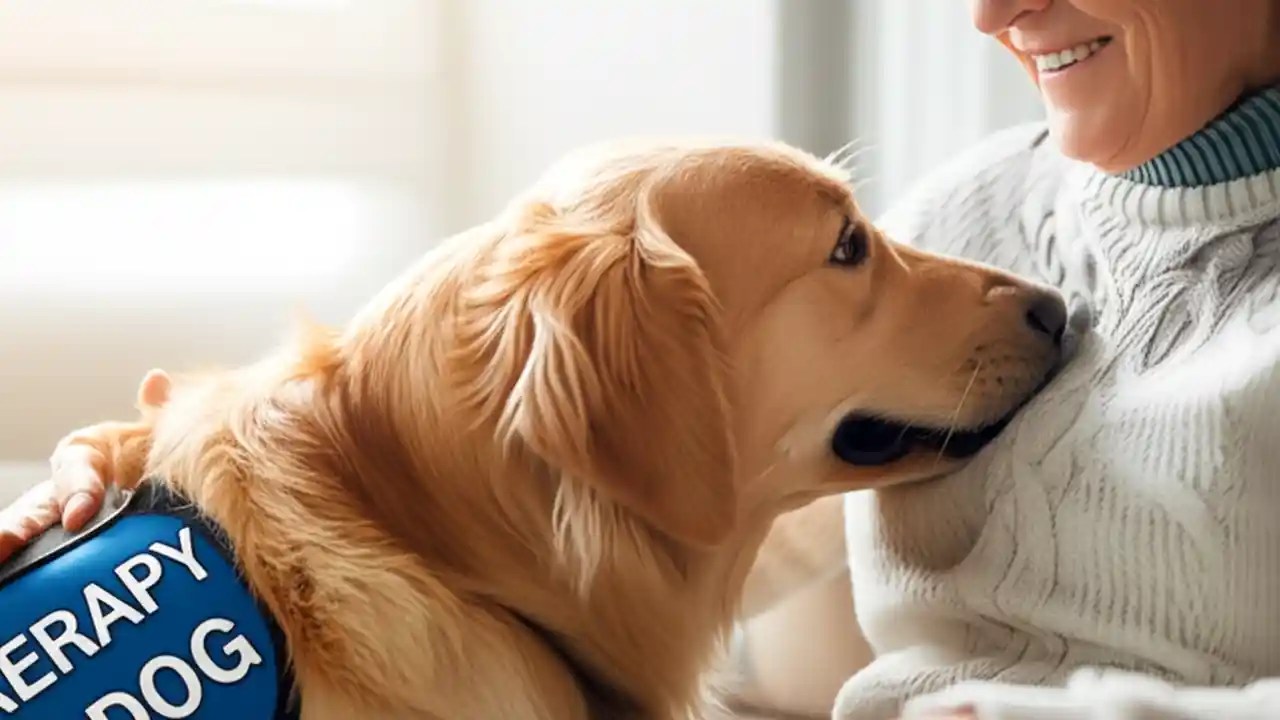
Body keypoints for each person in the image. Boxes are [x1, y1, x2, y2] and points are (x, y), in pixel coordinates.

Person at [4, 0, 1280, 717]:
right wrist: (152, 484)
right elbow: (695, 512)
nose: (993, 13)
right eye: (851, 250)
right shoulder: (966, 216)